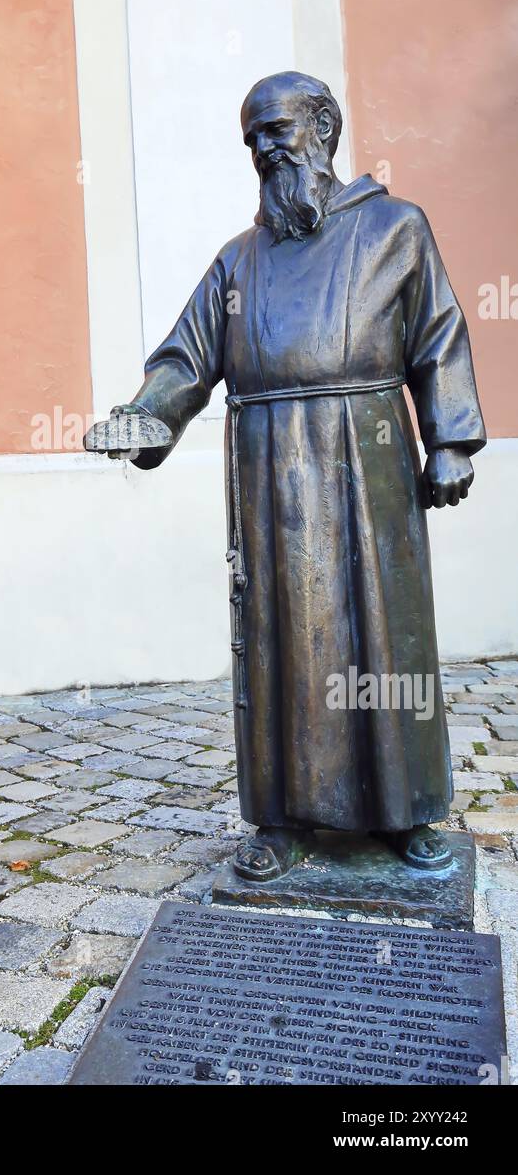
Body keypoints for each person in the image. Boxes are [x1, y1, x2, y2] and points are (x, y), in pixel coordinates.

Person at [97, 72, 485, 881]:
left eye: (277, 129)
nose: (265, 149)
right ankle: (285, 818)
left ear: (325, 128)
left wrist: (449, 440)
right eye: (252, 139)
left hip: (371, 456)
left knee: (386, 636)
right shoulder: (239, 261)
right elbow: (186, 357)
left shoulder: (393, 228)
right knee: (283, 641)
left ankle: (407, 808)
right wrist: (144, 418)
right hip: (270, 466)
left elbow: (439, 333)